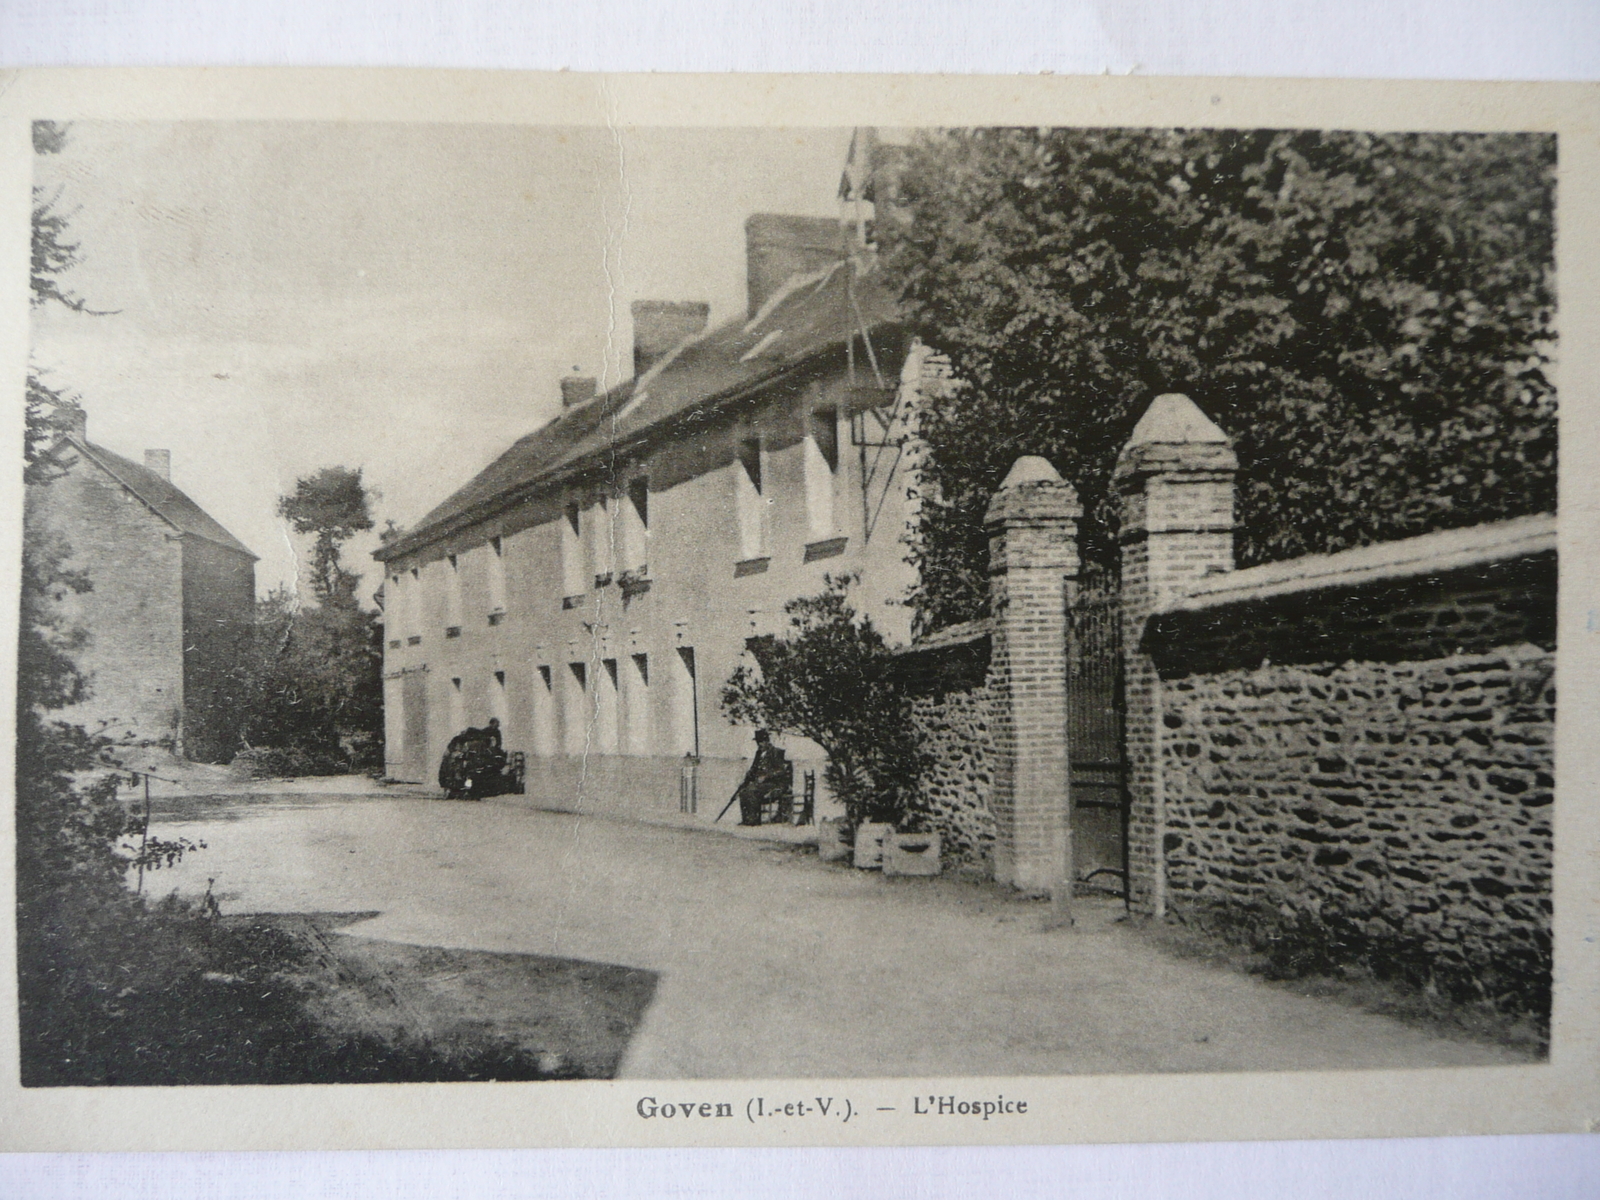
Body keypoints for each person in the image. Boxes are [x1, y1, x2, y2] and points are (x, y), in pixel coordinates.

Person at [737, 729, 791, 826]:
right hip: (762, 784)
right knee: (743, 792)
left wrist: (766, 776)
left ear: (767, 741)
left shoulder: (776, 752)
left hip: (774, 784)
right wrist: (748, 776)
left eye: (761, 742)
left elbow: (780, 770)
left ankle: (754, 820)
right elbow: (754, 768)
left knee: (752, 791)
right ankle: (746, 819)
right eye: (758, 742)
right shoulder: (758, 753)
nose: (760, 744)